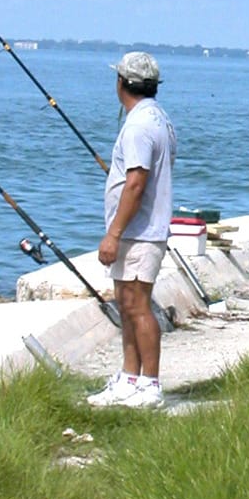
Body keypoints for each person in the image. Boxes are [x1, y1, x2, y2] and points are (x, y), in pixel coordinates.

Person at [87, 51, 177, 409]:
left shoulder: (139, 126)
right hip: (138, 230)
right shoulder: (158, 118)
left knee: (138, 307)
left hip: (139, 232)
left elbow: (137, 183)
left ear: (121, 83)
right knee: (126, 305)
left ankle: (150, 385)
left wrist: (113, 233)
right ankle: (129, 379)